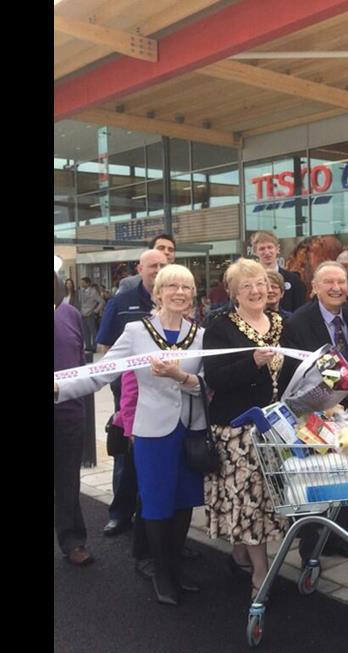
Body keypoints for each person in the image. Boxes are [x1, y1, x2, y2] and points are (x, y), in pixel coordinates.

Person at [56, 264, 206, 605]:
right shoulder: (137, 331)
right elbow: (101, 372)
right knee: (156, 502)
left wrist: (183, 378)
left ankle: (176, 568)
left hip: (189, 429)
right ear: (158, 293)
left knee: (184, 502)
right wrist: (59, 387)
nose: (180, 293)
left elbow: (205, 387)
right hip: (153, 432)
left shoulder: (199, 334)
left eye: (186, 287)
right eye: (172, 287)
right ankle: (162, 574)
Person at [202, 258, 289, 602]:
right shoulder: (219, 327)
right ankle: (260, 572)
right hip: (238, 429)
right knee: (249, 502)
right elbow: (216, 378)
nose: (256, 291)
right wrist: (252, 362)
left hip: (276, 427)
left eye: (261, 283)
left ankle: (241, 554)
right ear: (233, 293)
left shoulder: (283, 322)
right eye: (246, 286)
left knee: (267, 499)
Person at [281, 261, 348, 561]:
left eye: (341, 282)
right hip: (314, 412)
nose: (336, 288)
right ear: (314, 287)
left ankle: (341, 537)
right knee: (318, 477)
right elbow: (292, 372)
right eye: (328, 282)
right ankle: (311, 546)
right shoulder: (298, 322)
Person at [96, 249, 168, 540]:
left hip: (164, 395)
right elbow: (104, 347)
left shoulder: (178, 302)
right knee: (126, 458)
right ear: (140, 268)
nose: (158, 269)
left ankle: (149, 516)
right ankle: (120, 514)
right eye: (153, 265)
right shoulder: (121, 302)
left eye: (164, 264)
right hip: (127, 393)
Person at [54, 272, 94, 567]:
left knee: (67, 481)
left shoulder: (71, 314)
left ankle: (72, 541)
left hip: (68, 413)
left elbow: (80, 362)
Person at [251, 230, 308, 313]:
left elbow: (301, 311)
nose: (267, 252)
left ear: (277, 249)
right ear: (255, 252)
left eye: (270, 247)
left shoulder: (293, 279)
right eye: (262, 249)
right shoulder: (251, 280)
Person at [78, 276, 105, 352]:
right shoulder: (81, 292)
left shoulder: (93, 292)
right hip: (82, 313)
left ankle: (94, 347)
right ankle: (88, 346)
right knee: (85, 331)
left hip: (90, 313)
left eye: (83, 283)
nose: (81, 284)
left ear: (87, 283)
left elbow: (102, 301)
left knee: (93, 331)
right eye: (81, 282)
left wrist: (96, 310)